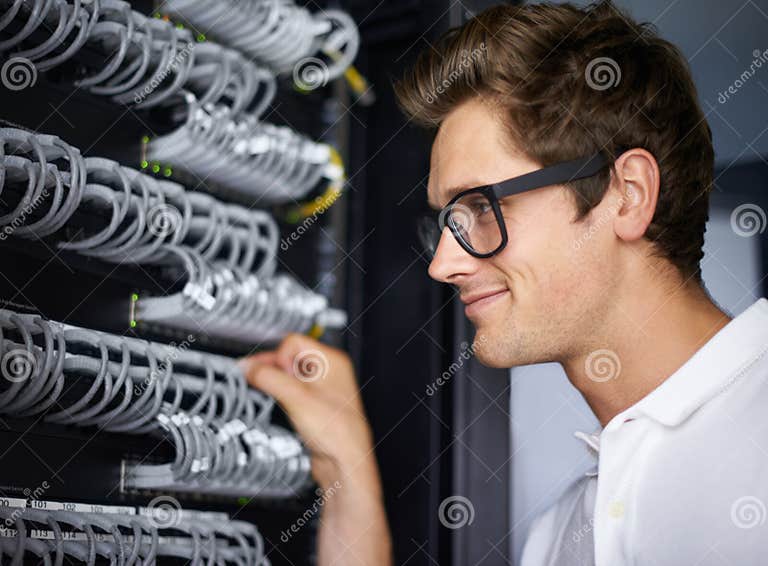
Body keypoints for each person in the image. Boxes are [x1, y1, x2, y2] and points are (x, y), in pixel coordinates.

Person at [240, 1, 768, 565]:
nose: (442, 266)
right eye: (447, 223)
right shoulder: (558, 537)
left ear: (627, 194)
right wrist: (345, 467)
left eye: (482, 208)